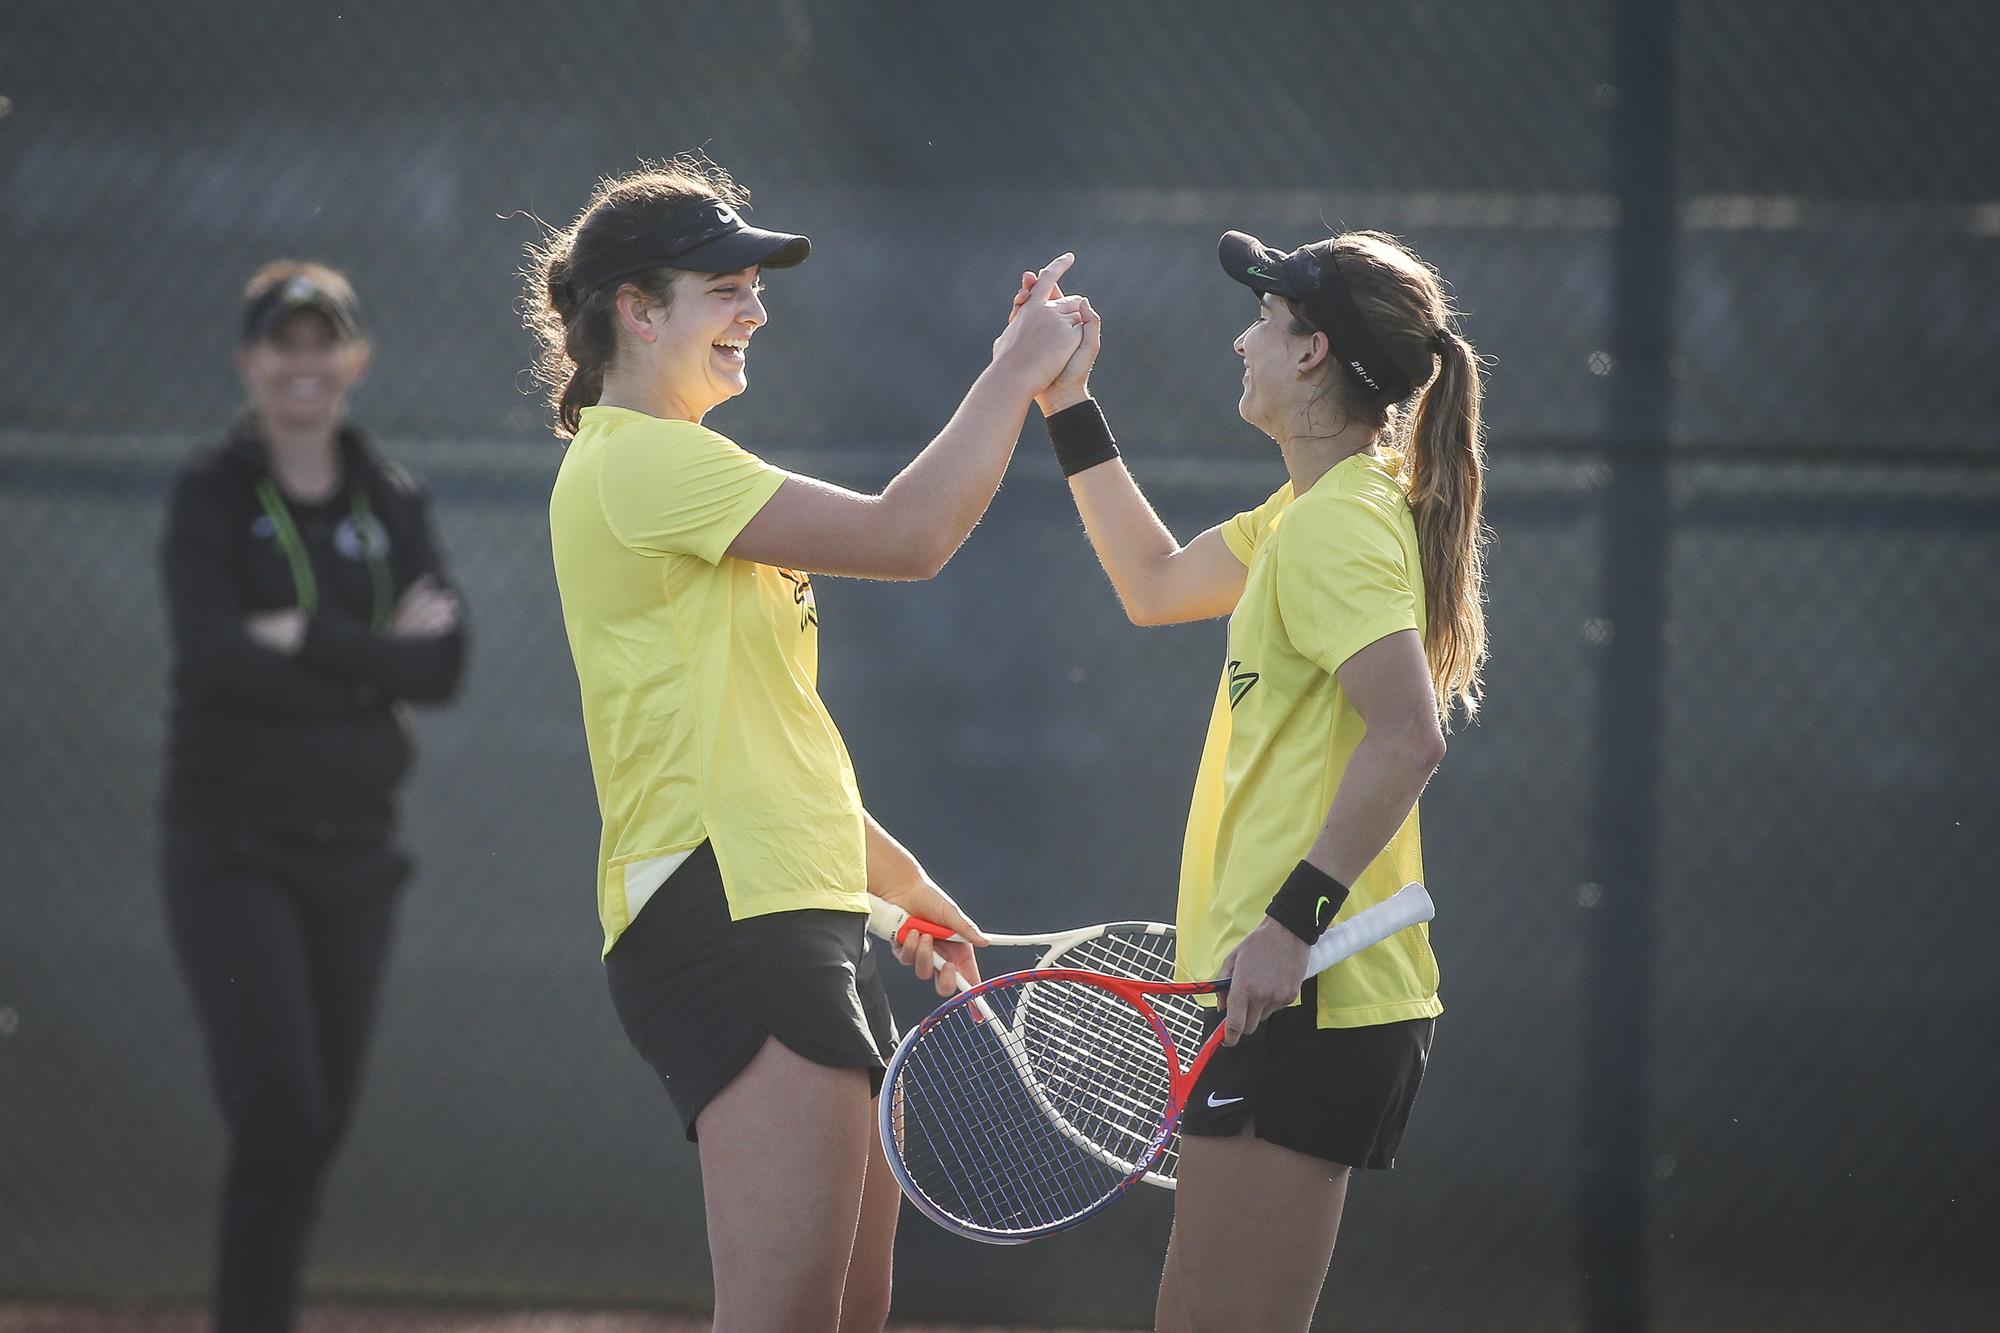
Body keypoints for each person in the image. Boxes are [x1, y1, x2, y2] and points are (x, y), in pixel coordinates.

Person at [525, 157, 1085, 1333]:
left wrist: (895, 880)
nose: (755, 310)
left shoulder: (664, 466)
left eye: (754, 287)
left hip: (790, 904)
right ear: (637, 307)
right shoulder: (641, 457)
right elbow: (911, 532)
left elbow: (764, 729)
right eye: (724, 287)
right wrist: (1014, 374)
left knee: (846, 1313)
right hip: (730, 917)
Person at [1013, 227, 1487, 1331]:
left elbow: (1408, 737)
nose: (1241, 340)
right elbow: (1151, 582)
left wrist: (1287, 922)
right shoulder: (1301, 516)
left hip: (1309, 989)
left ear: (1313, 351)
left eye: (1263, 324)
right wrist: (1062, 404)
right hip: (1280, 992)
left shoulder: (1336, 526)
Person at [158, 260, 468, 1332]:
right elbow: (212, 658)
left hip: (357, 858)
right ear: (250, 363)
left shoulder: (392, 495)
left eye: (320, 342)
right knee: (280, 1115)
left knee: (316, 1122)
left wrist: (310, 640)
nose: (302, 363)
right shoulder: (210, 494)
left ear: (354, 361)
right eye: (279, 345)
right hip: (230, 851)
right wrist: (377, 656)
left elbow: (446, 665)